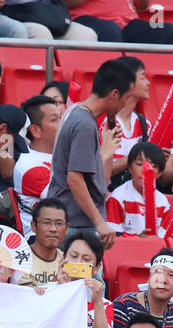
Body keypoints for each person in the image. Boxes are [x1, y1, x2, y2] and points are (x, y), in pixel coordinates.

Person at [45, 59, 135, 243]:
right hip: (76, 225)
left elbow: (94, 179)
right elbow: (75, 178)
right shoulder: (85, 124)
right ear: (114, 94)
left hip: (68, 218)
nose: (125, 105)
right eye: (126, 99)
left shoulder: (75, 111)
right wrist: (99, 222)